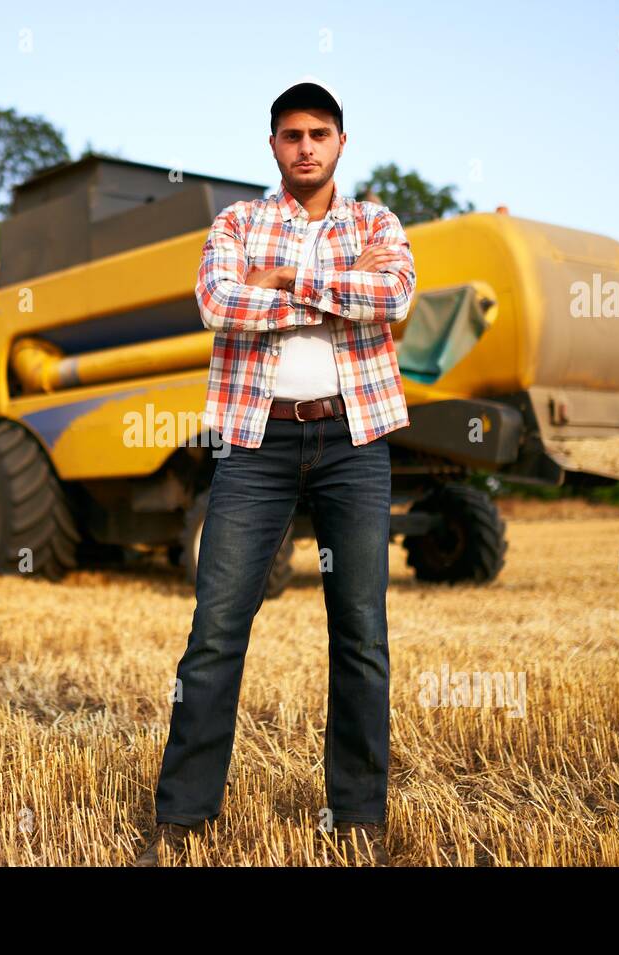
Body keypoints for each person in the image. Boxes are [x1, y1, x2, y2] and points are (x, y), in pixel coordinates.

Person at [134, 76, 417, 866]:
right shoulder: (236, 221)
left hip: (353, 442)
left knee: (360, 632)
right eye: (291, 136)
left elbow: (392, 293)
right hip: (254, 446)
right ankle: (181, 821)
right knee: (216, 631)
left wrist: (284, 280)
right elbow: (219, 305)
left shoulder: (377, 223)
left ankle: (359, 818)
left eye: (318, 135)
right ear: (273, 146)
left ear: (339, 144)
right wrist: (333, 296)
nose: (304, 148)